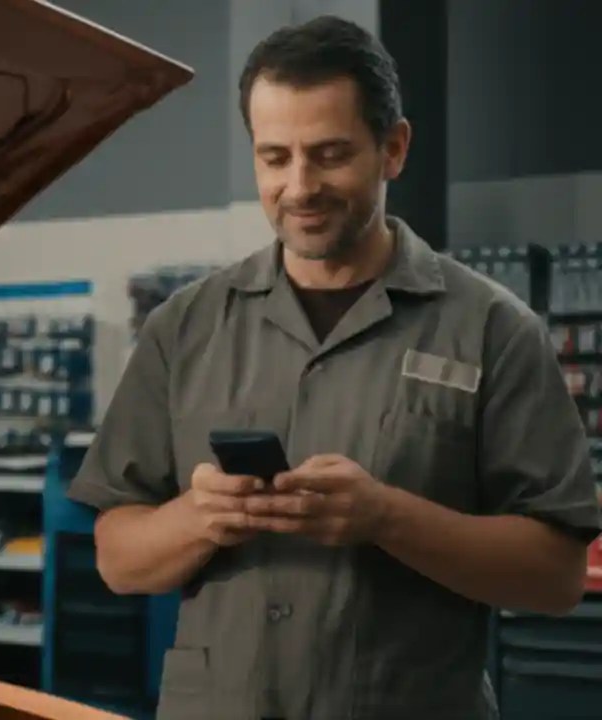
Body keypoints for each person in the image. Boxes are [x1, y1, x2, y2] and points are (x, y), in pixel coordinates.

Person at [66, 14, 601, 720]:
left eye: (329, 154)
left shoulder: (493, 330)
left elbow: (558, 576)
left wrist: (385, 517)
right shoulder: (184, 328)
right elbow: (118, 558)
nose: (299, 186)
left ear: (395, 149)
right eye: (274, 157)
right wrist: (201, 516)